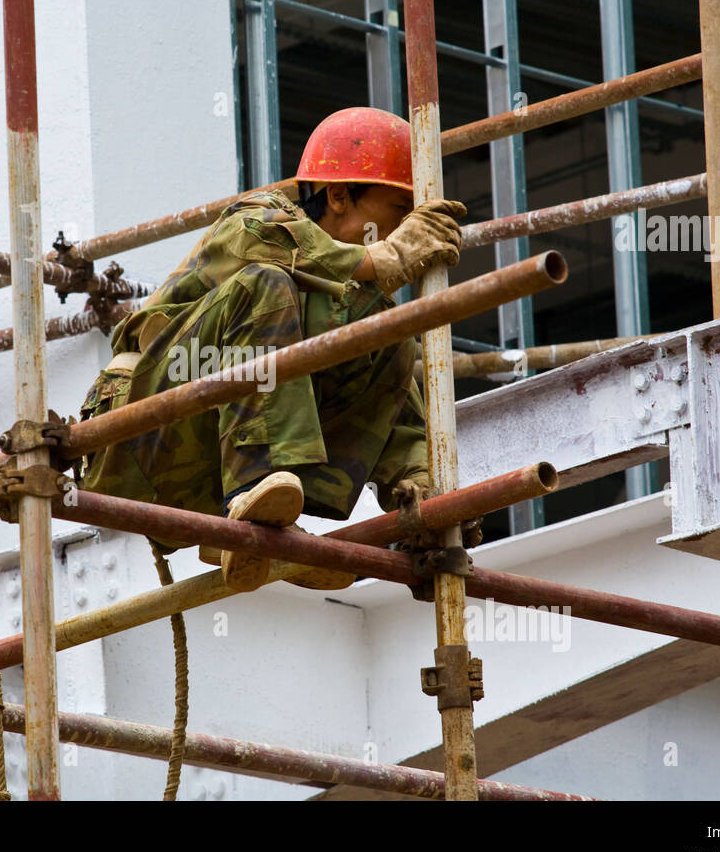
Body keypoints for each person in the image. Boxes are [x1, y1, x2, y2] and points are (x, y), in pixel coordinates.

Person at [77, 106, 466, 592]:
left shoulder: (353, 302)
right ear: (340, 196)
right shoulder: (258, 222)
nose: (405, 232)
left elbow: (403, 420)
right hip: (139, 434)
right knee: (265, 283)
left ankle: (262, 526)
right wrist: (382, 258)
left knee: (389, 336)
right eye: (398, 214)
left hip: (203, 469)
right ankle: (253, 494)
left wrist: (424, 497)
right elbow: (275, 246)